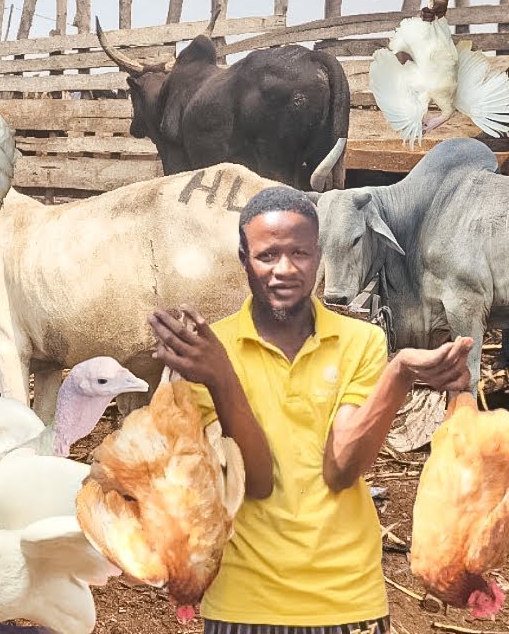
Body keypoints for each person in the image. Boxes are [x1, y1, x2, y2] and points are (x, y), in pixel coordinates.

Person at [148, 186, 473, 634]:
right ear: (243, 259)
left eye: (300, 253)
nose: (285, 269)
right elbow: (256, 483)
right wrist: (220, 376)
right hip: (244, 603)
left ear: (318, 255)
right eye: (267, 256)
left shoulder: (362, 342)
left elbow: (341, 469)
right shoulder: (208, 353)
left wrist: (399, 375)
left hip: (348, 599)